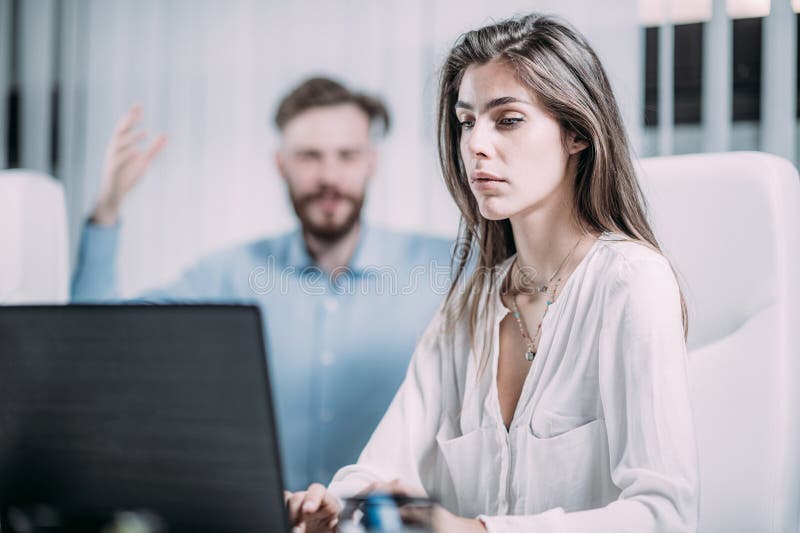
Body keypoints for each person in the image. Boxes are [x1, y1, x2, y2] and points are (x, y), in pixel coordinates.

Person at [286, 13, 699, 533]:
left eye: (507, 119)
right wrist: (336, 506)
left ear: (576, 132)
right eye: (466, 122)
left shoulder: (631, 282)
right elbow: (381, 469)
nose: (475, 144)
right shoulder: (470, 305)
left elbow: (665, 515)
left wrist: (472, 531)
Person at [71, 77, 453, 491]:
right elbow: (99, 338)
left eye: (347, 155)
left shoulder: (447, 267)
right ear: (280, 164)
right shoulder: (230, 273)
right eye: (309, 156)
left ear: (371, 163)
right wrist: (108, 207)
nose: (329, 176)